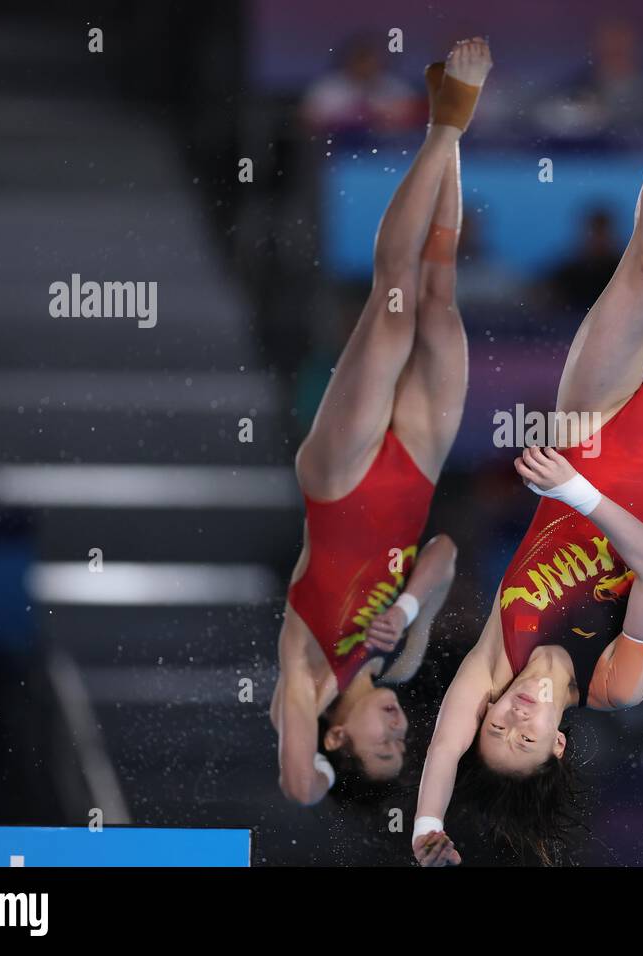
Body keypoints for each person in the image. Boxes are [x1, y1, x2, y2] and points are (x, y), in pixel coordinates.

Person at [412, 3, 643, 866]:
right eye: (526, 738)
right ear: (560, 746)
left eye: (495, 728)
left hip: (585, 427)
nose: (510, 717)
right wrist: (575, 495)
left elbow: (439, 749)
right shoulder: (619, 683)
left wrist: (428, 828)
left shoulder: (497, 659)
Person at [270, 39, 493, 804]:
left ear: (337, 736)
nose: (400, 734)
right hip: (412, 473)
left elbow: (299, 787)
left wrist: (321, 773)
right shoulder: (399, 662)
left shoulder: (304, 680)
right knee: (439, 293)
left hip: (340, 478)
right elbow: (444, 555)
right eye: (407, 748)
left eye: (382, 749)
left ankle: (445, 122)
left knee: (391, 306)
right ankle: (452, 128)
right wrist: (403, 609)